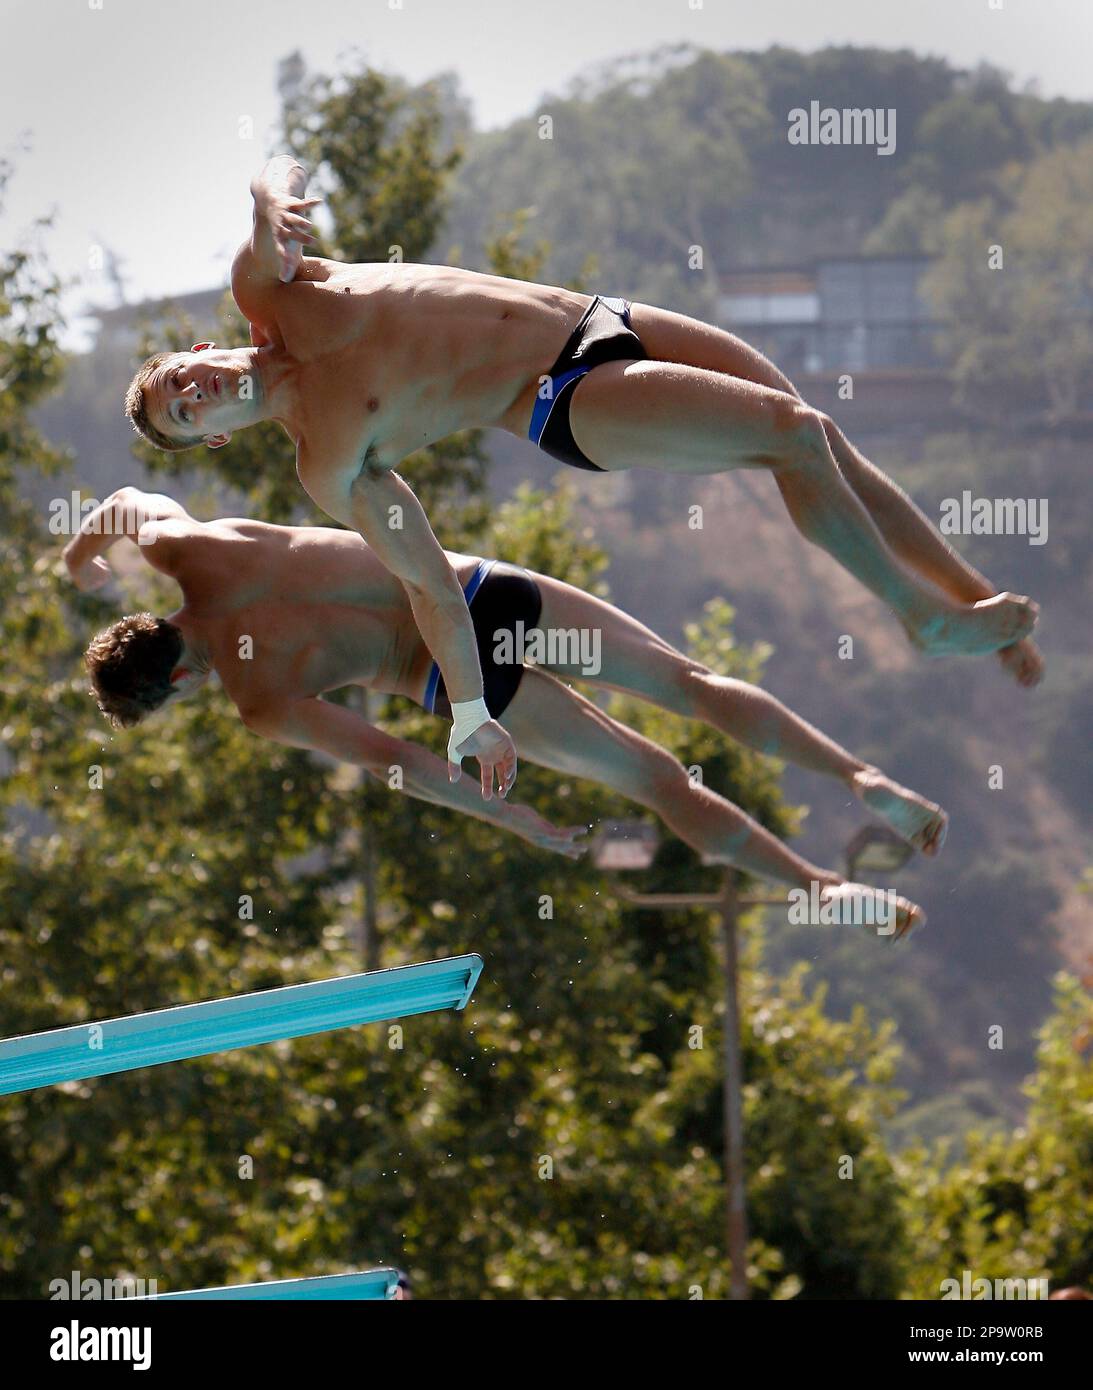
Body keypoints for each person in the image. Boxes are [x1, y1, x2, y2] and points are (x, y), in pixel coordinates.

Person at [122, 156, 1043, 792]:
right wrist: (470, 712)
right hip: (559, 398)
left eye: (177, 378)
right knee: (790, 435)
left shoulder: (269, 291)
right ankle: (921, 618)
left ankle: (969, 598)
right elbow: (433, 587)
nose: (194, 392)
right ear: (213, 442)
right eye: (185, 413)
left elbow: (270, 191)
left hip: (592, 315)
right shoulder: (329, 464)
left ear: (195, 349)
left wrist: (266, 190)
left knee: (822, 436)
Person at [65, 487, 945, 940]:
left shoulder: (260, 701)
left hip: (467, 688)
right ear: (143, 622)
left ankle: (822, 892)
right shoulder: (189, 548)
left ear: (176, 688)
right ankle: (862, 777)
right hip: (478, 596)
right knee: (692, 685)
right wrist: (81, 556)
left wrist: (509, 814)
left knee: (655, 780)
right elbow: (122, 506)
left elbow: (395, 764)